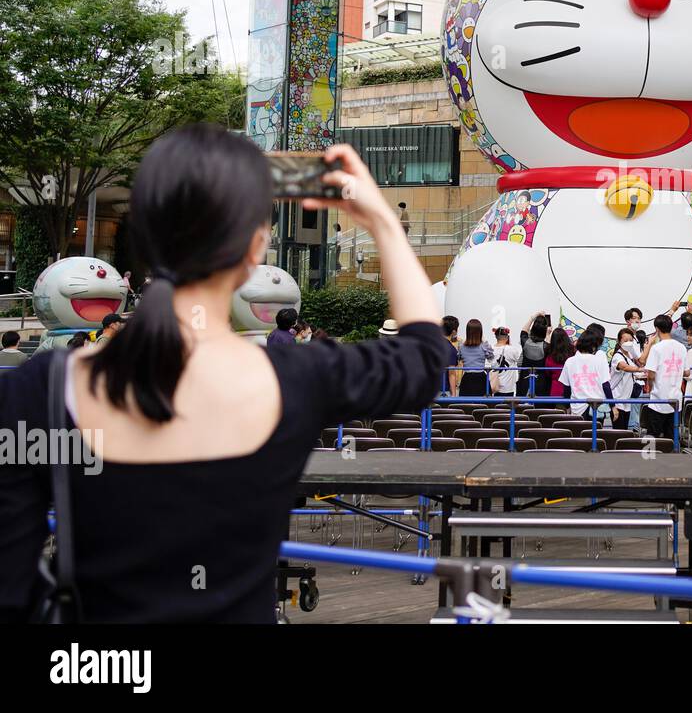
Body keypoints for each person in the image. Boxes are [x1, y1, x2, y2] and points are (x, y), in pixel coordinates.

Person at [0, 124, 452, 622]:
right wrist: (384, 223)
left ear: (144, 239)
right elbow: (425, 358)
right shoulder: (299, 377)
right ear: (257, 248)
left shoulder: (36, 392)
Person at [641, 314, 687, 439]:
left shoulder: (656, 348)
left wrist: (650, 389)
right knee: (672, 437)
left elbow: (650, 375)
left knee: (653, 436)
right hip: (676, 399)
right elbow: (687, 372)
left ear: (656, 328)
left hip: (658, 399)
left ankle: (650, 458)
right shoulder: (682, 347)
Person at [559, 327, 612, 420]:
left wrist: (567, 406)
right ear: (594, 346)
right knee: (596, 433)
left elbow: (566, 387)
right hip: (596, 406)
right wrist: (613, 405)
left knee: (580, 433)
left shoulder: (570, 361)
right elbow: (605, 385)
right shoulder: (599, 360)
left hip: (577, 407)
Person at [609, 327, 643, 430]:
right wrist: (639, 370)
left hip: (626, 401)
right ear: (619, 342)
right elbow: (623, 366)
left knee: (625, 430)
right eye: (625, 341)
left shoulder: (630, 355)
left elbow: (641, 361)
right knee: (619, 431)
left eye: (631, 340)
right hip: (617, 400)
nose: (628, 343)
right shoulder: (617, 356)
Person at [456, 318, 495, 398]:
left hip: (467, 378)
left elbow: (459, 359)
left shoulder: (461, 347)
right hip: (481, 378)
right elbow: (491, 358)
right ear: (480, 331)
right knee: (484, 406)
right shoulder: (484, 346)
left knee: (465, 406)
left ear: (467, 332)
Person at [518, 313, 549, 398]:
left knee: (521, 409)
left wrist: (533, 317)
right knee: (540, 409)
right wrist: (548, 334)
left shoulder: (525, 341)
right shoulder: (547, 346)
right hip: (541, 383)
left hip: (524, 381)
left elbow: (524, 331)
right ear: (544, 331)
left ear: (533, 329)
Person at [544, 327, 574, 398]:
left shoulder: (550, 355)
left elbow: (547, 372)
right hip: (572, 389)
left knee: (559, 409)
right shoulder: (573, 352)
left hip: (556, 390)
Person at [490, 326, 520, 395]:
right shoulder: (512, 350)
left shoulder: (491, 349)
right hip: (508, 388)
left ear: (496, 337)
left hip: (494, 386)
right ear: (507, 337)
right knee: (508, 406)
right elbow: (519, 360)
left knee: (495, 405)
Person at [440, 315, 460, 395]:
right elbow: (451, 374)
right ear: (454, 331)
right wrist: (454, 395)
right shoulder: (451, 349)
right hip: (443, 390)